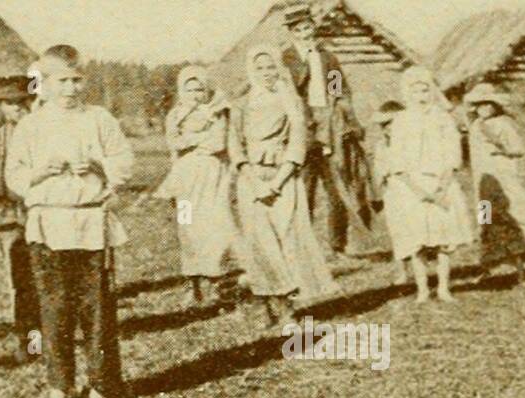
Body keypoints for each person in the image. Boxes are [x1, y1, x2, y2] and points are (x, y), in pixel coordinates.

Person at [6, 44, 132, 398]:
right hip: (49, 223)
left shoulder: (99, 119)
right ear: (43, 83)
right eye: (62, 81)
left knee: (96, 308)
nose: (70, 89)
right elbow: (13, 175)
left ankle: (101, 384)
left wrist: (96, 164)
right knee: (54, 308)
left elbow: (124, 161)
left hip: (90, 221)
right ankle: (59, 383)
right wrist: (40, 172)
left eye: (77, 80)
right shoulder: (31, 125)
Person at [228, 44, 340, 328]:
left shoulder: (290, 102)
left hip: (284, 177)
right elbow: (235, 145)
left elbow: (298, 142)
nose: (266, 74)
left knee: (288, 238)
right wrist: (252, 179)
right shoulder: (241, 104)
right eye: (260, 68)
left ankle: (289, 306)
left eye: (271, 68)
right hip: (252, 179)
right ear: (251, 71)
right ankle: (269, 302)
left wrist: (278, 181)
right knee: (260, 242)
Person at [279, 2, 375, 259]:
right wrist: (308, 63)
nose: (305, 34)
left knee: (337, 190)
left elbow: (338, 91)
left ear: (314, 27)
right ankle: (303, 248)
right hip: (302, 130)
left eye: (308, 28)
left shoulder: (328, 57)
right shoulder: (285, 59)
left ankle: (338, 245)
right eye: (299, 30)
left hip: (329, 127)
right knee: (304, 190)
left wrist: (347, 120)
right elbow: (291, 92)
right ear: (292, 32)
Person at [383, 66, 473, 304]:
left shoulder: (442, 118)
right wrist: (416, 190)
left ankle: (444, 287)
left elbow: (453, 153)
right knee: (417, 241)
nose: (421, 97)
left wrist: (442, 186)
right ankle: (422, 289)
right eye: (415, 92)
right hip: (412, 186)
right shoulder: (401, 120)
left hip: (441, 182)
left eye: (425, 91)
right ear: (407, 94)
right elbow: (398, 159)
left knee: (444, 241)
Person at [153, 65, 239, 306]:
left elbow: (219, 143)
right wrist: (196, 140)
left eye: (199, 89)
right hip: (184, 178)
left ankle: (215, 281)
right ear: (182, 91)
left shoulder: (218, 111)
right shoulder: (175, 115)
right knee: (187, 227)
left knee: (213, 227)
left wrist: (190, 141)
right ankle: (193, 284)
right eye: (189, 90)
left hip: (212, 175)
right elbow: (174, 142)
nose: (195, 95)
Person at [0, 74, 40, 364]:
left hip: (41, 212)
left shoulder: (43, 132)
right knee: (19, 281)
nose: (16, 109)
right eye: (8, 103)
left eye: (21, 102)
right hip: (9, 217)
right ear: (0, 106)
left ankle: (47, 337)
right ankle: (27, 341)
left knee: (43, 277)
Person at [464, 82, 525, 281]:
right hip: (482, 180)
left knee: (508, 216)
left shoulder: (504, 124)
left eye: (488, 105)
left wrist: (501, 151)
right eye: (480, 105)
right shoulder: (474, 126)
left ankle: (519, 264)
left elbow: (519, 149)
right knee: (485, 219)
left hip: (503, 178)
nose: (484, 109)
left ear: (496, 106)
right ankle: (489, 263)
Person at [369, 100, 410, 285]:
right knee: (398, 231)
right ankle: (402, 271)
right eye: (383, 125)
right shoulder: (382, 146)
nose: (387, 129)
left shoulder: (414, 143)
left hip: (414, 191)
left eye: (391, 124)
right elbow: (379, 172)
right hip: (394, 192)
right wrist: (377, 194)